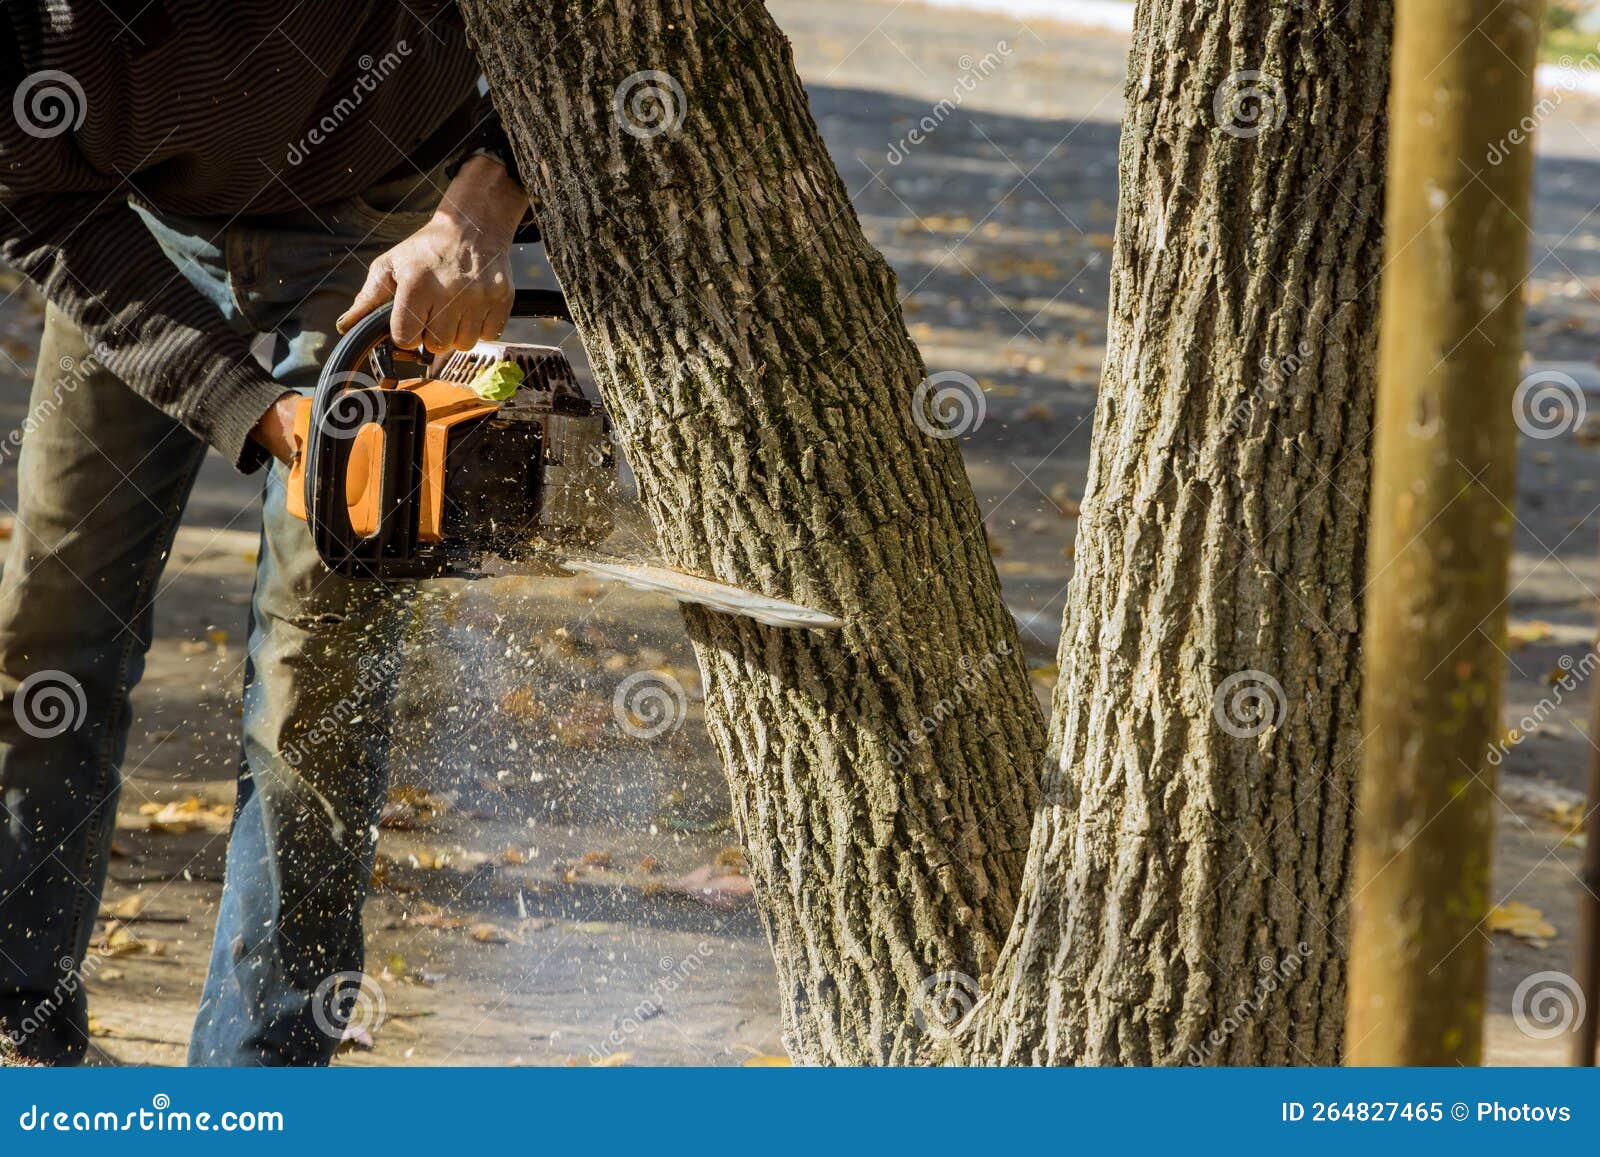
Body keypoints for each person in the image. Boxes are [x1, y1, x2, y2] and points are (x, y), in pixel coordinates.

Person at [0, 2, 531, 1065]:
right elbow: (39, 207)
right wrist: (252, 406)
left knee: (312, 677)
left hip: (379, 234)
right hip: (128, 233)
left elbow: (605, 39)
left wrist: (479, 208)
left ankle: (262, 1074)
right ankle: (18, 1016)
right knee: (50, 625)